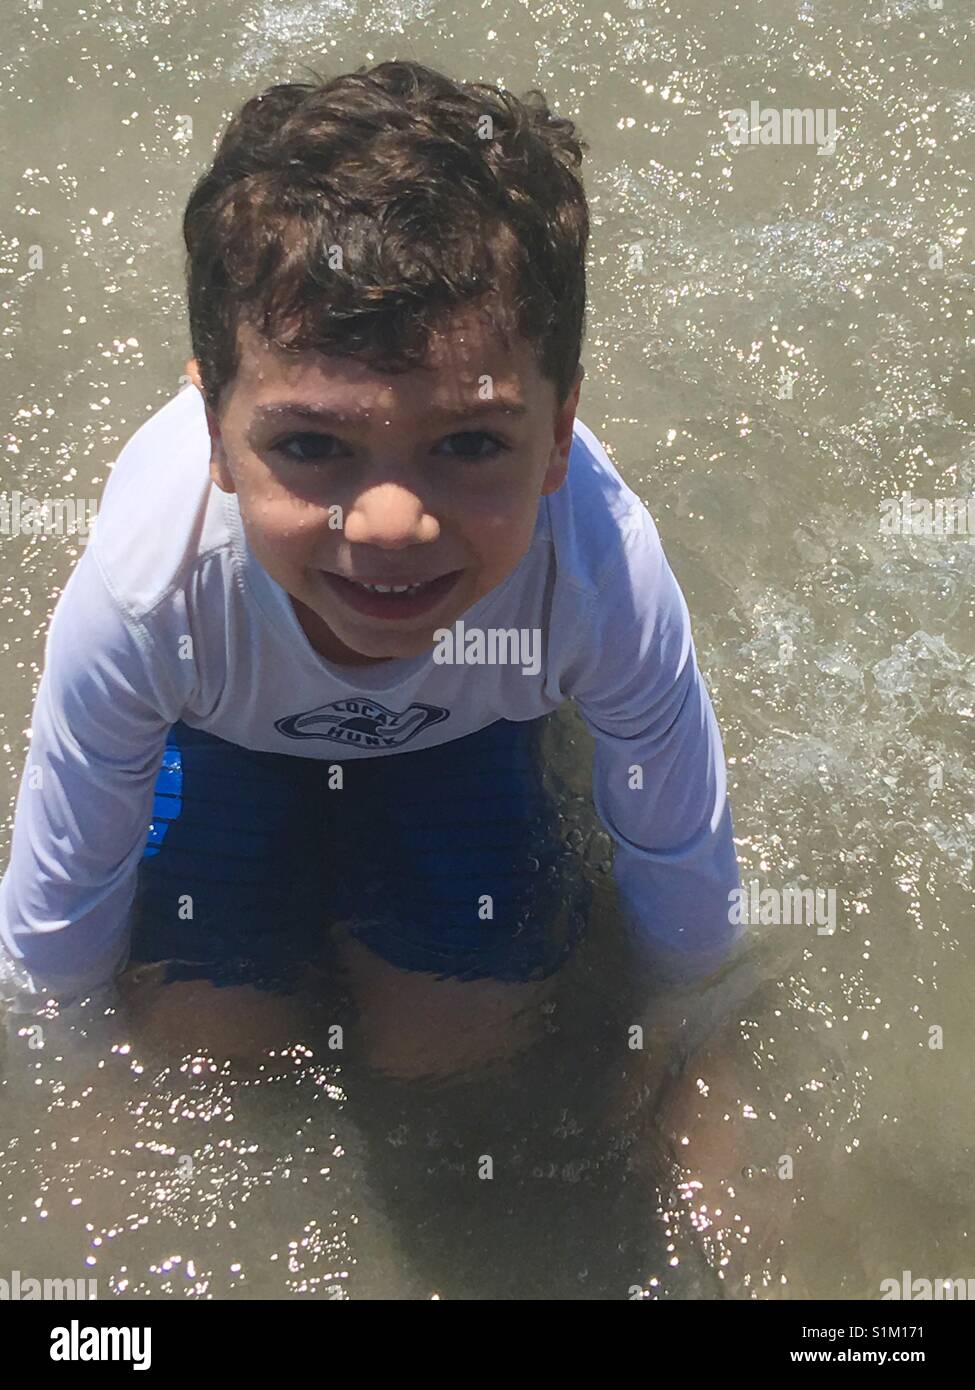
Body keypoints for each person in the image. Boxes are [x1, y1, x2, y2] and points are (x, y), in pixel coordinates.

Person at [0, 59, 742, 1078]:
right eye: (311, 446)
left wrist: (691, 1056)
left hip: (466, 744)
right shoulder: (151, 592)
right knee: (204, 1050)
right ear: (216, 435)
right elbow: (58, 923)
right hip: (224, 746)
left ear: (559, 435)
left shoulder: (601, 571)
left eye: (471, 443)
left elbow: (683, 877)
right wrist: (72, 1090)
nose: (392, 522)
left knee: (470, 1058)